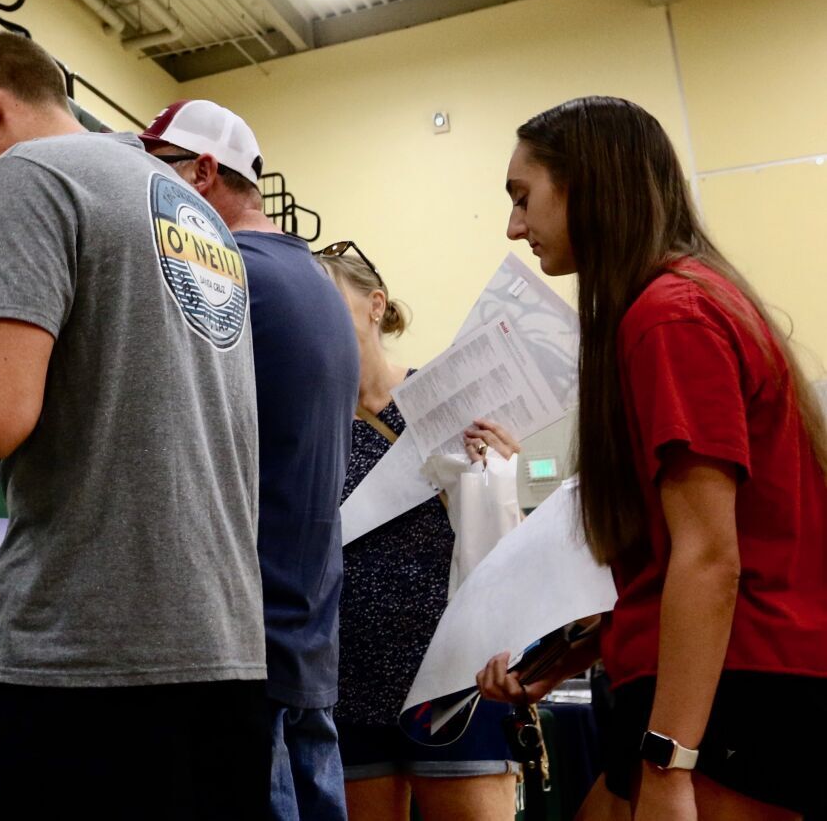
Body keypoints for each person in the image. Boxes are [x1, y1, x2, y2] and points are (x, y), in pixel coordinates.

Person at [0, 31, 267, 817]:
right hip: (224, 648)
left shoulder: (30, 172)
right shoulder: (188, 210)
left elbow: (1, 418)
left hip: (96, 652)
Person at [476, 96, 827, 820]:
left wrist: (671, 762)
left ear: (587, 186)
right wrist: (567, 657)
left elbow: (708, 555)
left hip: (734, 689)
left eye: (522, 197)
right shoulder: (688, 302)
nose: (514, 226)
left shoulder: (669, 315)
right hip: (721, 681)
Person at [139, 100, 359, 821]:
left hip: (242, 645)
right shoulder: (315, 285)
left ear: (202, 173)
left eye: (157, 171)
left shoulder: (229, 276)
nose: (146, 191)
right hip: (299, 634)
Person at [318, 244, 524, 821]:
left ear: (375, 306)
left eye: (327, 300)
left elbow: (503, 531)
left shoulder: (447, 398)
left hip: (455, 677)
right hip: (347, 684)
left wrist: (499, 467)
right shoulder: (310, 418)